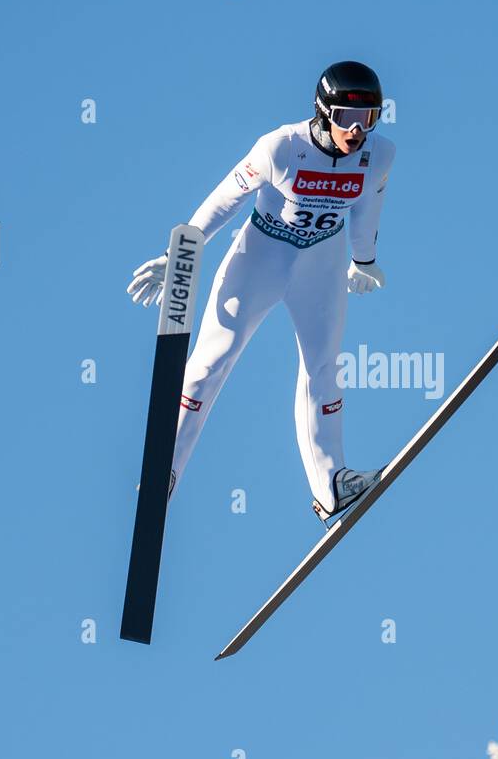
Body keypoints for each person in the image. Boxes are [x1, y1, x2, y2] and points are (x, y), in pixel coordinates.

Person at [127, 61, 395, 522]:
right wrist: (182, 249)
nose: (357, 131)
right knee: (213, 359)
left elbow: (368, 208)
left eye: (368, 118)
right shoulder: (281, 147)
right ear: (322, 111)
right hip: (261, 256)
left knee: (324, 367)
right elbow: (225, 198)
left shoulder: (379, 155)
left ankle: (332, 483)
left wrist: (363, 258)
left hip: (320, 264)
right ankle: (162, 472)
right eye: (347, 118)